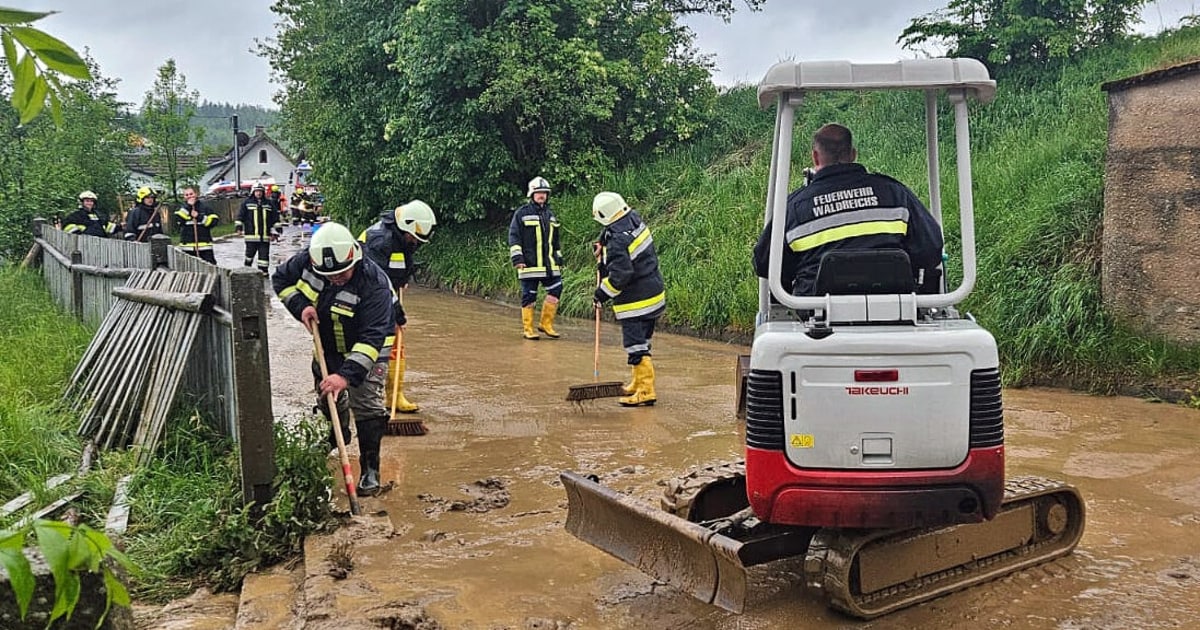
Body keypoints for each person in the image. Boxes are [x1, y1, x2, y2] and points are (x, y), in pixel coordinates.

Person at [272, 222, 395, 496]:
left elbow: (372, 337)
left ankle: (371, 468)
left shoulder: (374, 284)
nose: (336, 279)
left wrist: (346, 375)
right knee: (328, 396)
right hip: (326, 345)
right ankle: (338, 434)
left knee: (367, 404)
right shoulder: (307, 259)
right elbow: (279, 280)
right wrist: (300, 306)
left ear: (354, 257)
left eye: (341, 273)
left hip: (368, 350)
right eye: (329, 275)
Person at [753, 123, 944, 297]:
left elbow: (765, 263)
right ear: (853, 154)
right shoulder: (895, 194)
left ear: (815, 156)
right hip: (896, 309)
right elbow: (931, 248)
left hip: (817, 318)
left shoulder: (795, 207)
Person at [359, 199, 437, 415]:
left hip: (388, 292)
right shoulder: (379, 240)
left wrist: (403, 278)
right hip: (365, 296)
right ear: (405, 228)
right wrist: (394, 310)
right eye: (414, 237)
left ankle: (395, 395)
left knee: (395, 343)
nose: (415, 242)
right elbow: (376, 282)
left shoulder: (405, 237)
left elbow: (401, 261)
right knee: (374, 344)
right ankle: (367, 399)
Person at [591, 192, 666, 407]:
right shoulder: (634, 220)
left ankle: (646, 390)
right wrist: (603, 249)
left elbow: (620, 276)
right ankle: (637, 382)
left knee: (635, 345)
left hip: (636, 301)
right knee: (643, 340)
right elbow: (622, 245)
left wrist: (601, 294)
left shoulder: (617, 241)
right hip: (653, 293)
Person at [508, 176, 564, 340]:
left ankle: (546, 324)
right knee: (529, 296)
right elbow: (514, 236)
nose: (541, 195)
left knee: (557, 288)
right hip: (529, 265)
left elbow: (556, 241)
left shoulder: (551, 215)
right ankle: (528, 329)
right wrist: (518, 258)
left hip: (549, 265)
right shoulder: (521, 213)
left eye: (544, 193)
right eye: (538, 192)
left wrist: (558, 259)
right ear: (531, 194)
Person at [236, 184, 282, 274]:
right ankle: (247, 271)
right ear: (253, 192)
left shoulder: (269, 204)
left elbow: (274, 219)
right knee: (249, 256)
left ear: (263, 192)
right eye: (257, 191)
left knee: (264, 258)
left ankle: (264, 274)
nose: (259, 193)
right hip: (251, 236)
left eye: (260, 191)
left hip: (265, 237)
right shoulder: (246, 203)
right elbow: (240, 216)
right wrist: (239, 228)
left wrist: (276, 232)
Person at [174, 187, 220, 264]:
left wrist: (199, 216)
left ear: (196, 194)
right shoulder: (181, 208)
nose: (189, 196)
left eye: (191, 194)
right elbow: (178, 220)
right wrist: (188, 206)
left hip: (204, 246)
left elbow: (213, 222)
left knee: (210, 268)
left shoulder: (205, 207)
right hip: (187, 247)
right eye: (186, 195)